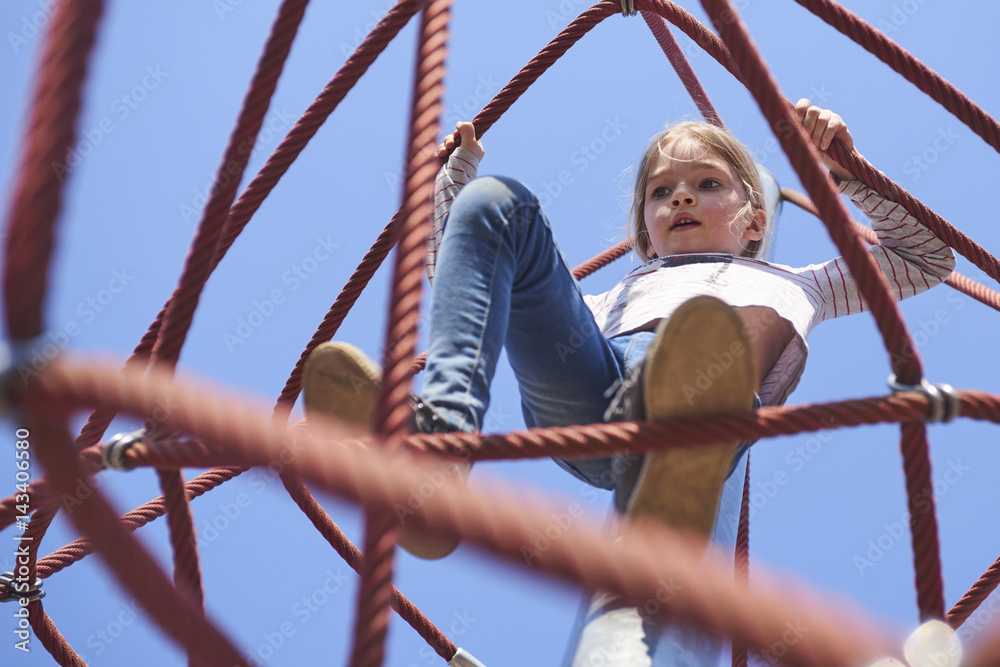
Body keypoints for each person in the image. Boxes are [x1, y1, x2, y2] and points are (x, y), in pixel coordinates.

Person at [302, 99, 956, 664]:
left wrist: (848, 176)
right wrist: (454, 184)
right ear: (644, 228)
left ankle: (673, 460)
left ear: (756, 222)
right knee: (498, 204)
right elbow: (460, 270)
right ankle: (439, 445)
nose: (680, 197)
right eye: (661, 191)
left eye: (707, 183)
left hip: (707, 414)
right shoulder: (610, 298)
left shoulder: (798, 282)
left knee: (703, 342)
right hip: (597, 394)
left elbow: (925, 258)